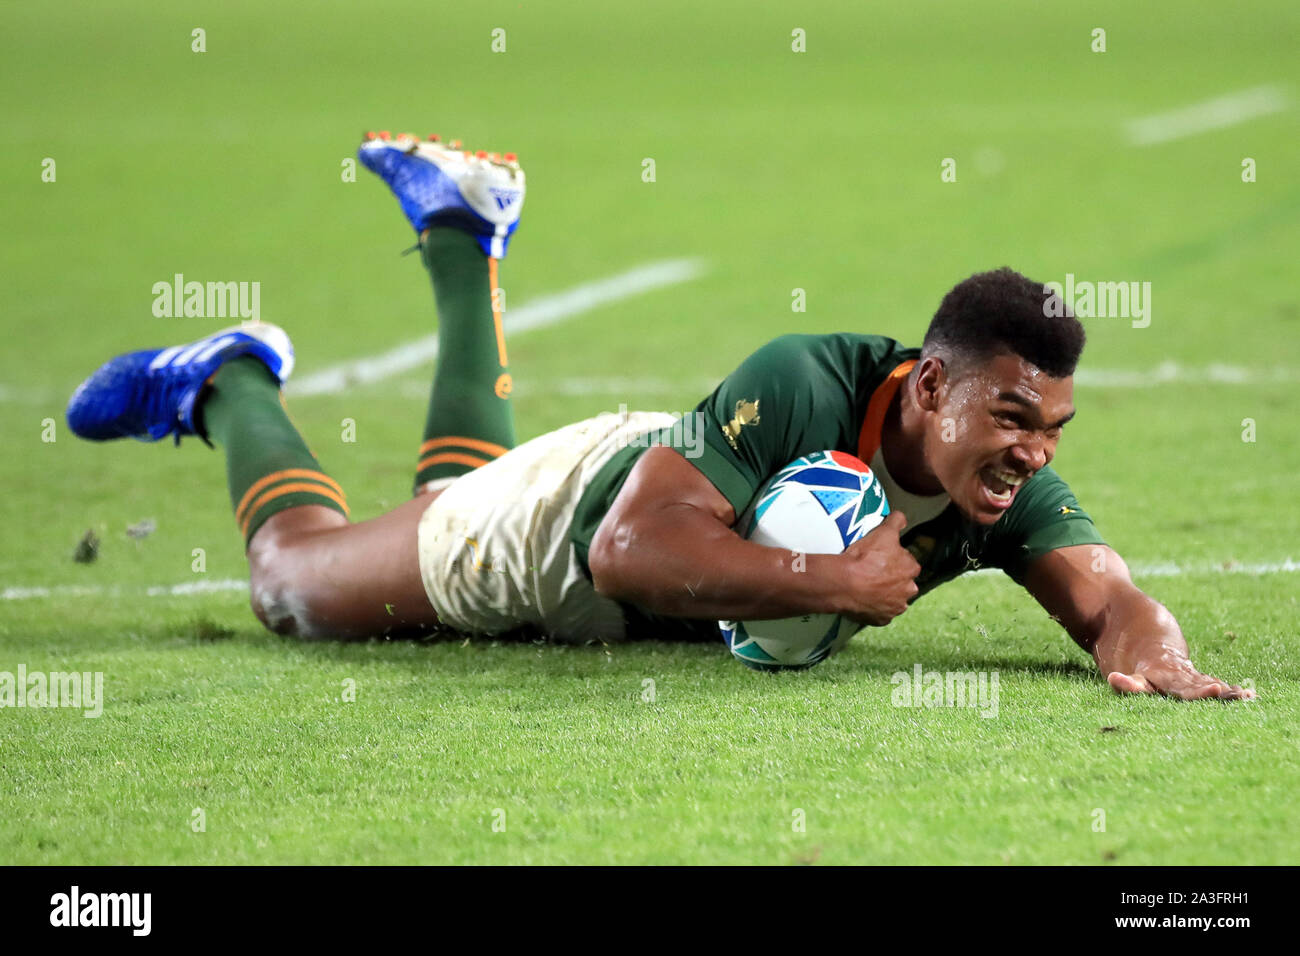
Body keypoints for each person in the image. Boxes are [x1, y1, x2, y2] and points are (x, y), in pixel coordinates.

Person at [65, 131, 1253, 701]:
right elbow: (624, 550)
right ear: (931, 386)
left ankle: (462, 235)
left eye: (1052, 427)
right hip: (579, 517)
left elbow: (1110, 596)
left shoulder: (1004, 481)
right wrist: (835, 586)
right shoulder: (810, 377)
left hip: (673, 493)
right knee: (296, 584)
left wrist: (1151, 645)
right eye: (1011, 416)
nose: (1032, 452)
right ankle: (227, 381)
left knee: (438, 500)